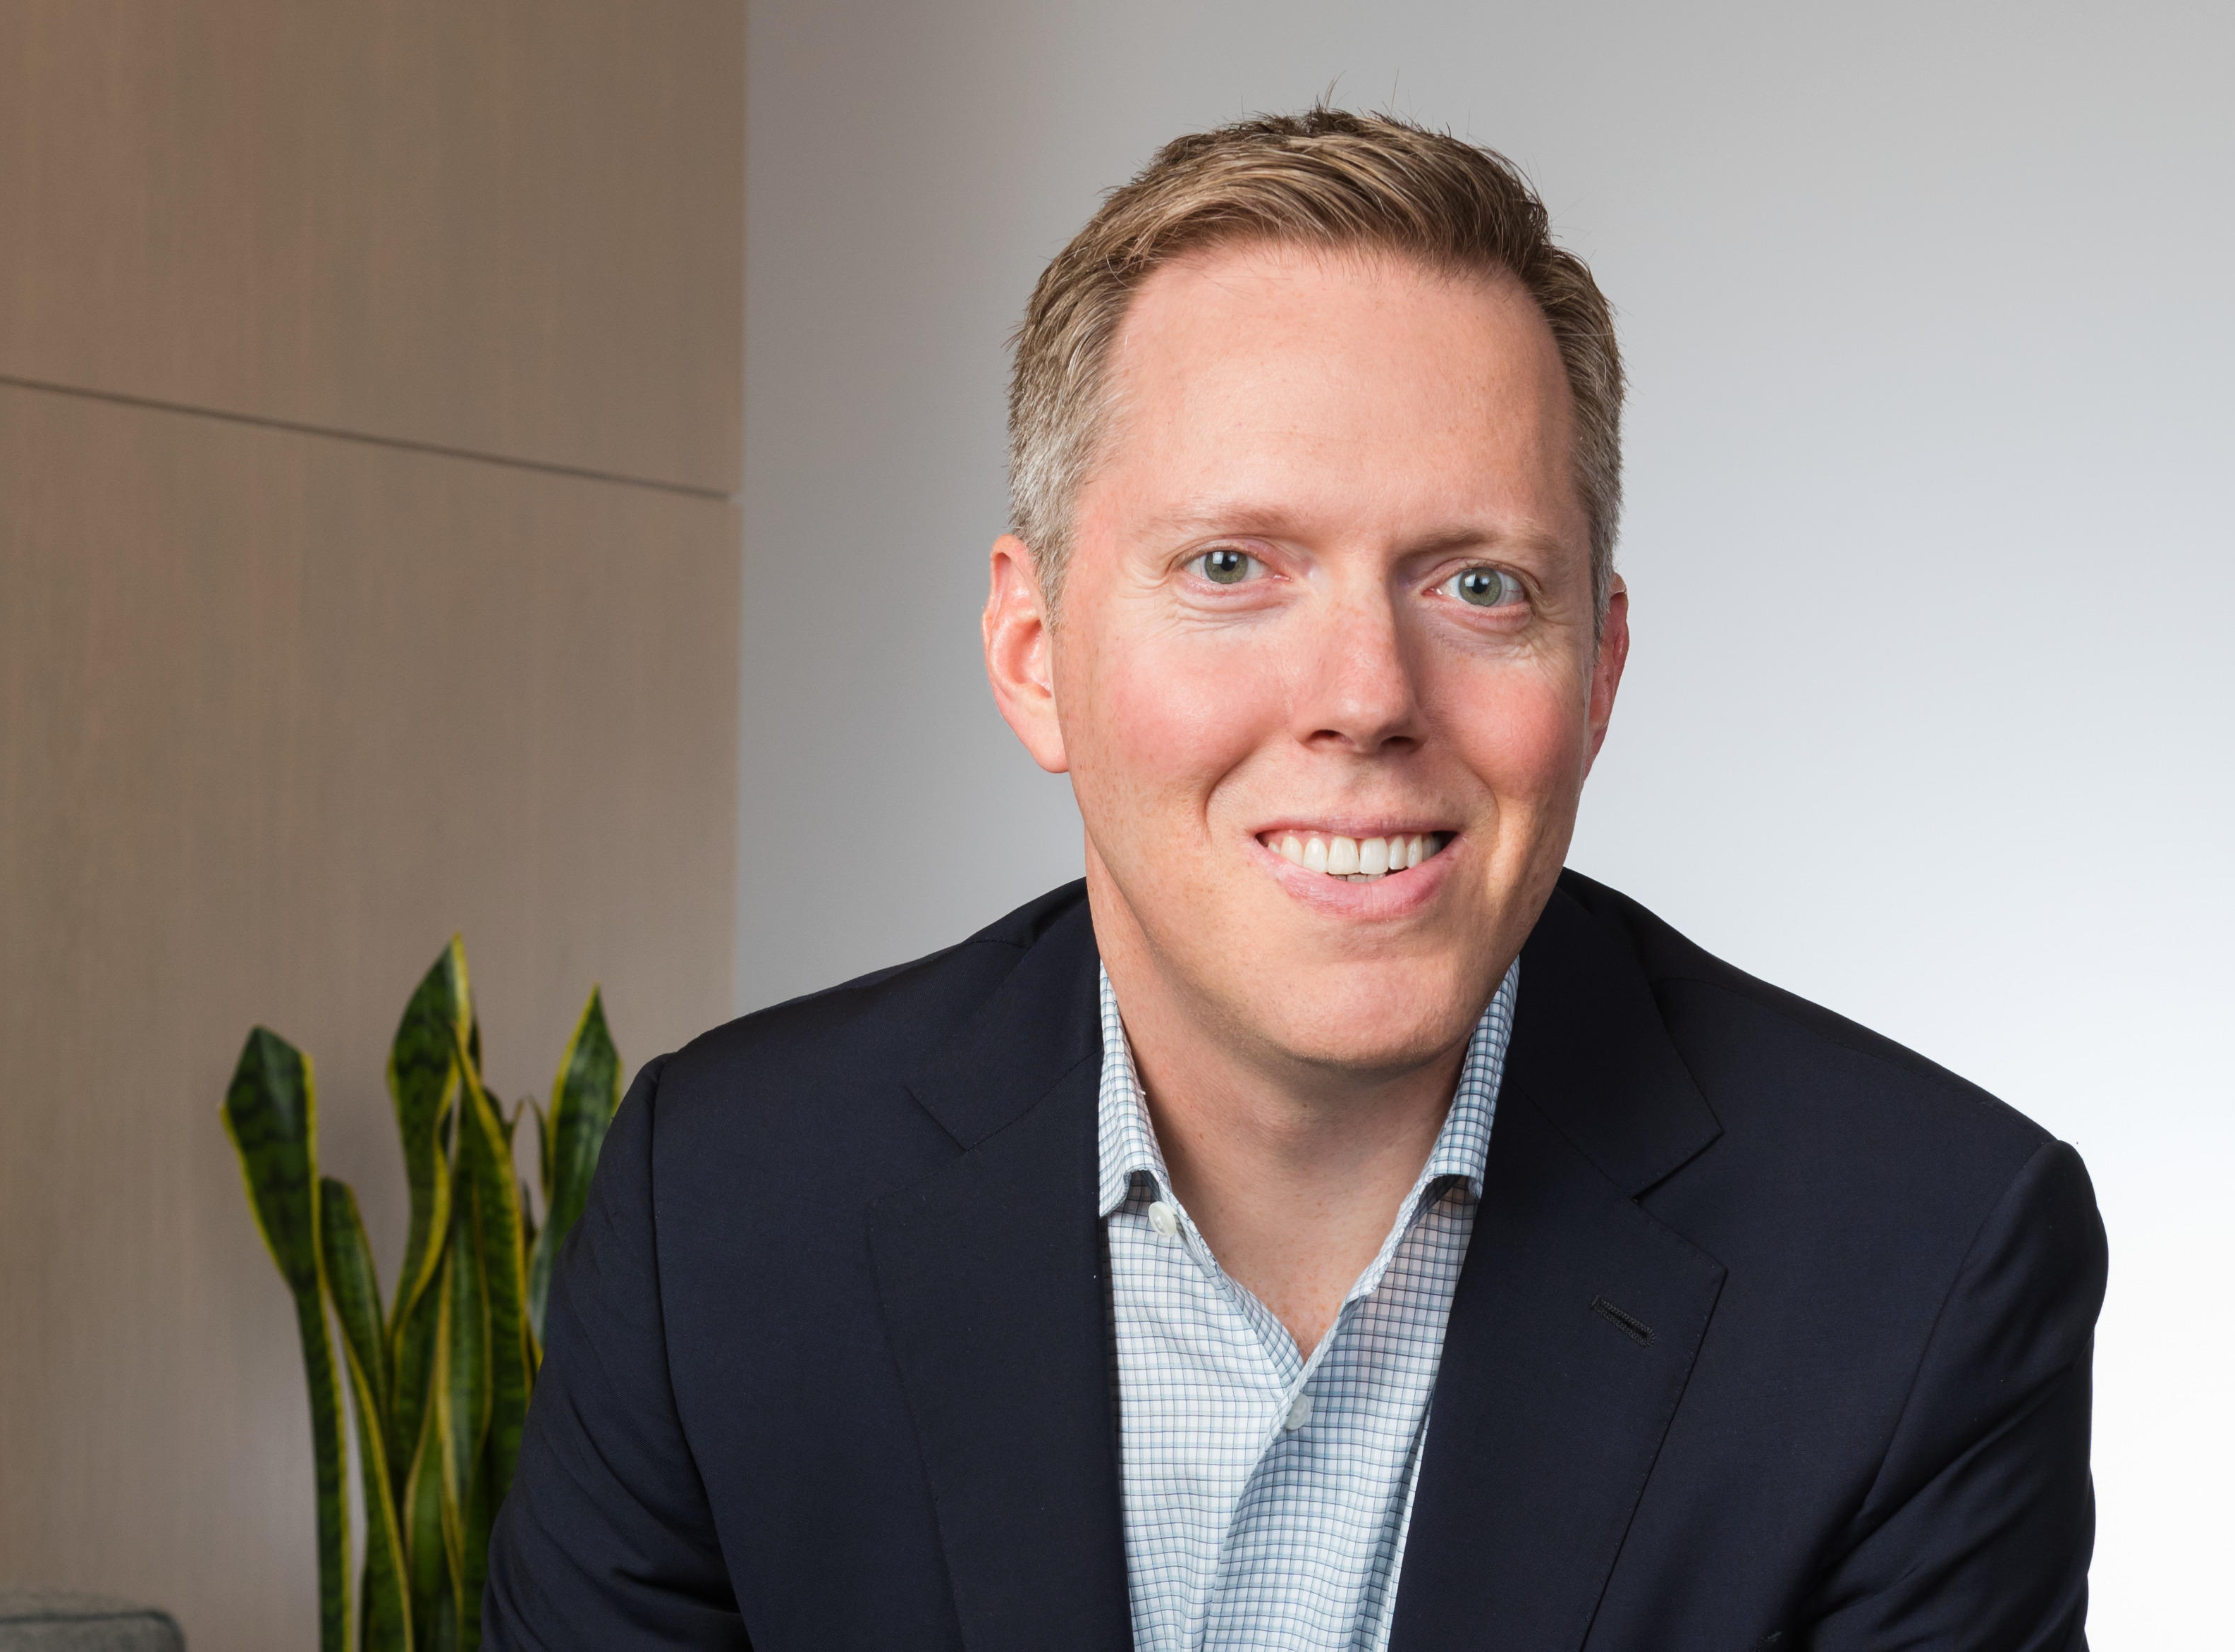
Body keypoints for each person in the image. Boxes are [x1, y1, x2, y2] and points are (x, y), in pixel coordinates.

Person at [485, 108, 2106, 1651]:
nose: (1364, 694)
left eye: (1479, 584)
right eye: (1230, 567)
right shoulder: (723, 1211)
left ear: (1597, 669)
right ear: (1033, 650)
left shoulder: (1921, 1262)